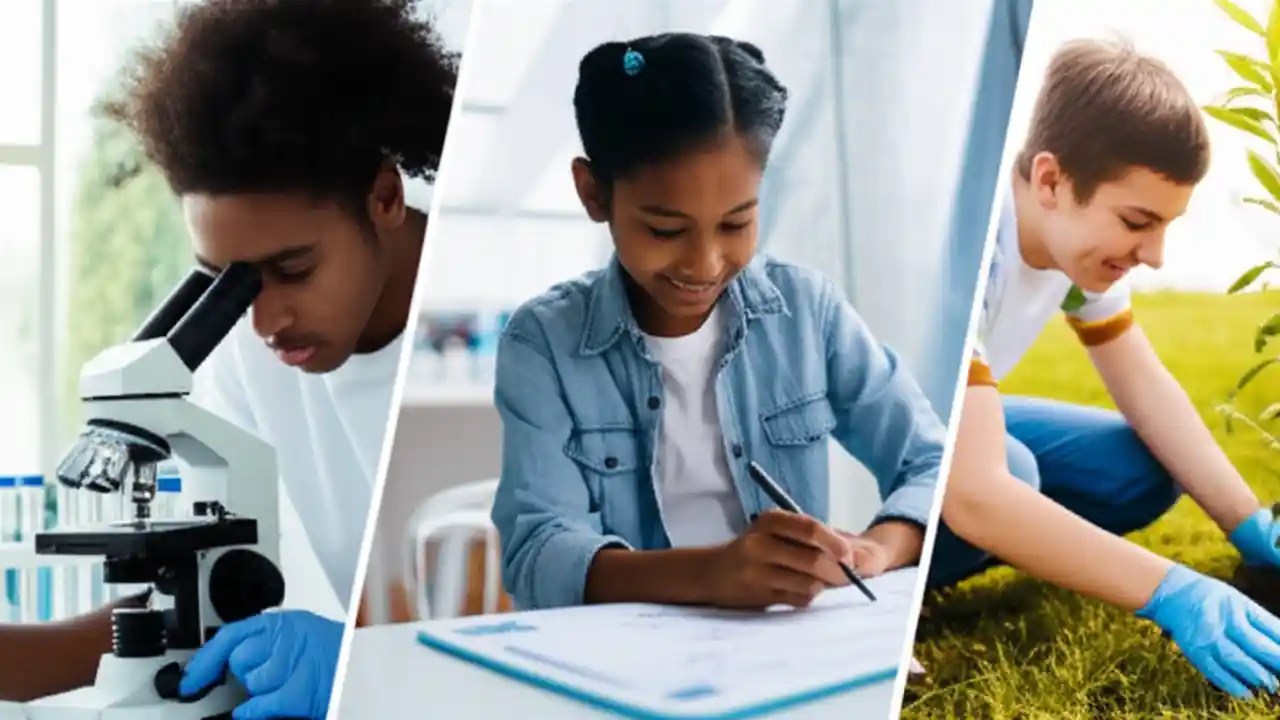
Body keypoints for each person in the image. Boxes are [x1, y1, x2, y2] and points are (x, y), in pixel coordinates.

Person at [5, 1, 455, 718]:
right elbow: (205, 604)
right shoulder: (247, 352)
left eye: (293, 269)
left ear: (384, 198)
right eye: (226, 281)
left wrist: (356, 663)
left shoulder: (476, 332)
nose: (263, 320)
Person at [490, 33, 945, 612]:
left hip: (786, 638)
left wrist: (876, 549)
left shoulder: (807, 312)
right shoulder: (543, 343)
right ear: (593, 192)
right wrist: (711, 574)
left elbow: (931, 460)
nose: (705, 265)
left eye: (736, 224)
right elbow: (537, 553)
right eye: (665, 230)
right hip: (627, 649)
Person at [932, 38, 1280, 699]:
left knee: (1138, 469)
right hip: (863, 478)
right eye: (1137, 221)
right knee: (1009, 473)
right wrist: (1170, 591)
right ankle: (899, 583)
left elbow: (1145, 388)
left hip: (946, 432)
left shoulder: (1071, 244)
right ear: (1050, 180)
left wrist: (1246, 522)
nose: (1154, 255)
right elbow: (976, 494)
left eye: (1166, 225)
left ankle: (1030, 534)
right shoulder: (966, 251)